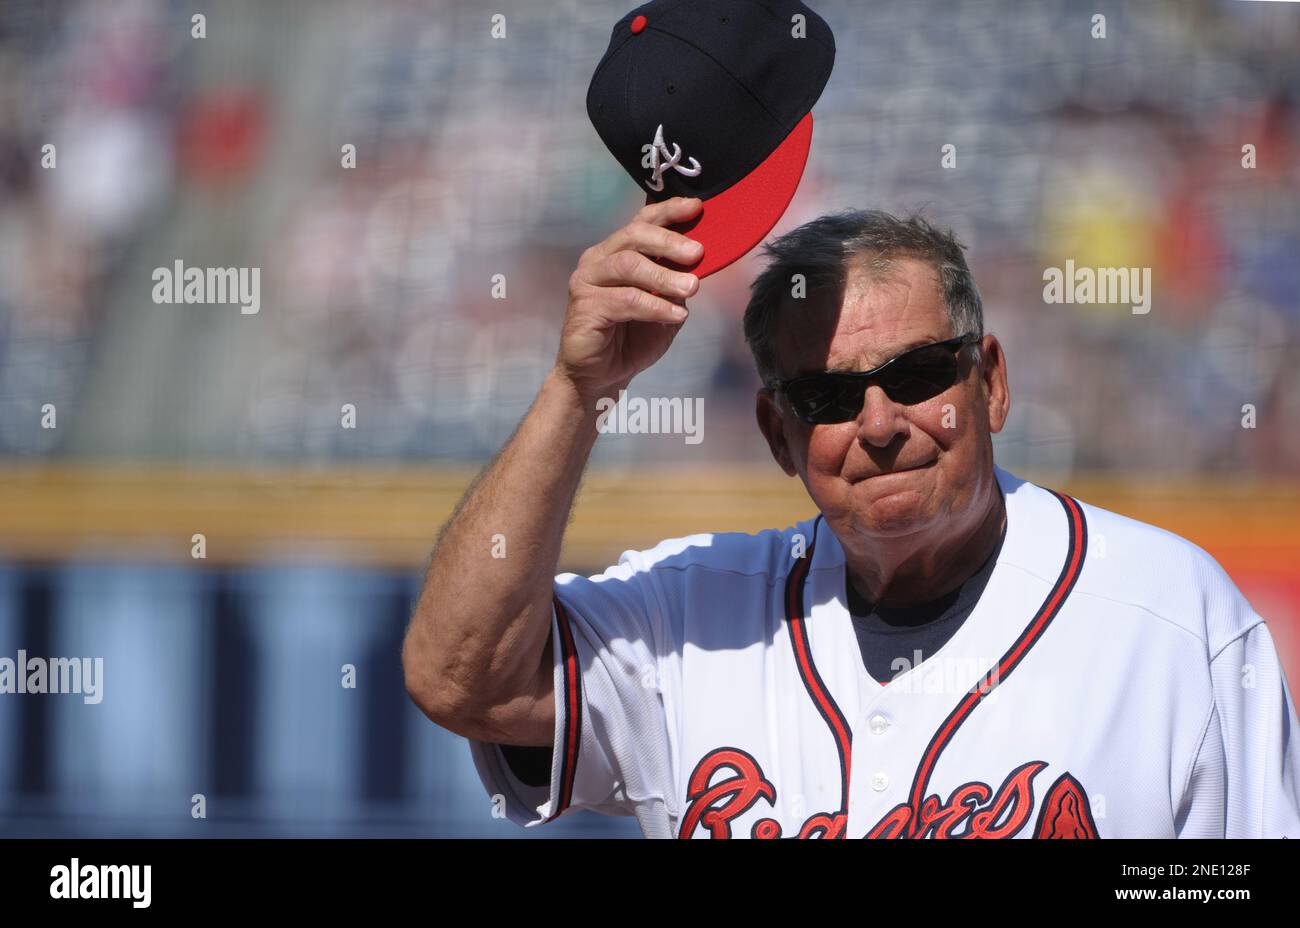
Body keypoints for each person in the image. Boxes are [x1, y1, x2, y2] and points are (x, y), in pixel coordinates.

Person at [403, 197, 1300, 838]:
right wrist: (578, 390)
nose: (878, 424)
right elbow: (460, 680)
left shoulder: (1170, 613)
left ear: (989, 383)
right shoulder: (689, 616)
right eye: (828, 396)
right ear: (779, 434)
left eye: (915, 377)